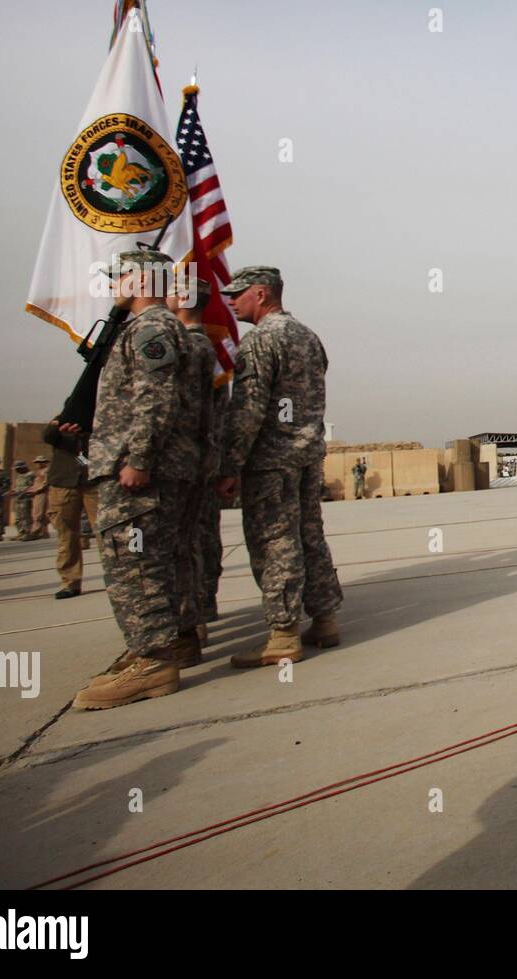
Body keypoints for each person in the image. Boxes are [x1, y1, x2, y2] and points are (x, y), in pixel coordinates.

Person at [72, 250, 203, 710]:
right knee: (146, 559)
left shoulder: (152, 328)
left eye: (121, 275)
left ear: (142, 279)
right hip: (149, 465)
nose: (114, 283)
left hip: (142, 470)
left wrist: (139, 459)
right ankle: (147, 649)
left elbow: (154, 399)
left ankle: (153, 662)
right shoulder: (151, 328)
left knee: (136, 564)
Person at [217, 265, 343, 667]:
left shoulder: (259, 341)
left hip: (272, 459)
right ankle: (325, 620)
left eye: (237, 294)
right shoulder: (307, 337)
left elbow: (249, 410)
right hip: (307, 454)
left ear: (261, 294)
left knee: (275, 542)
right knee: (309, 535)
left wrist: (230, 464)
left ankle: (283, 634)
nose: (231, 302)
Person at [167, 280, 220, 647]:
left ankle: (189, 623)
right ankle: (200, 610)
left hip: (183, 465)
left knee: (184, 544)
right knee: (200, 536)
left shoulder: (191, 348)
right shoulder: (208, 348)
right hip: (202, 462)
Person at [43, 420, 99, 598]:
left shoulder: (103, 416)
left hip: (95, 481)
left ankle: (119, 577)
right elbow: (48, 436)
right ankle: (70, 582)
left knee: (106, 531)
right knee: (66, 534)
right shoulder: (62, 422)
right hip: (63, 482)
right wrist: (56, 424)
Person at [11, 461, 35, 540]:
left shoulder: (31, 475)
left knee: (25, 517)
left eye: (18, 469)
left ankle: (27, 533)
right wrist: (14, 491)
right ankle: (21, 532)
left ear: (23, 467)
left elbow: (32, 487)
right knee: (18, 517)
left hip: (26, 499)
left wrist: (22, 491)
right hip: (18, 498)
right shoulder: (19, 476)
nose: (17, 471)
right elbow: (18, 486)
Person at [29, 456, 51, 539]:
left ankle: (36, 531)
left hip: (42, 493)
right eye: (37, 462)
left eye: (40, 462)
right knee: (37, 512)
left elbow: (46, 483)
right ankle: (43, 532)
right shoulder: (38, 471)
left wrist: (37, 490)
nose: (38, 464)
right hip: (37, 493)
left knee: (39, 512)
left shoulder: (46, 471)